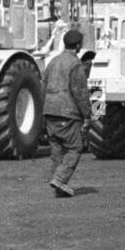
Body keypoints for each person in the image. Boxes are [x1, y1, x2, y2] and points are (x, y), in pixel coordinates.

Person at [42, 28, 93, 197]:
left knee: (57, 147)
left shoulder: (52, 61)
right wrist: (87, 114)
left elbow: (43, 86)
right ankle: (60, 179)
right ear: (78, 45)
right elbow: (80, 92)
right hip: (67, 112)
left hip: (49, 111)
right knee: (74, 148)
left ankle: (57, 183)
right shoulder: (75, 64)